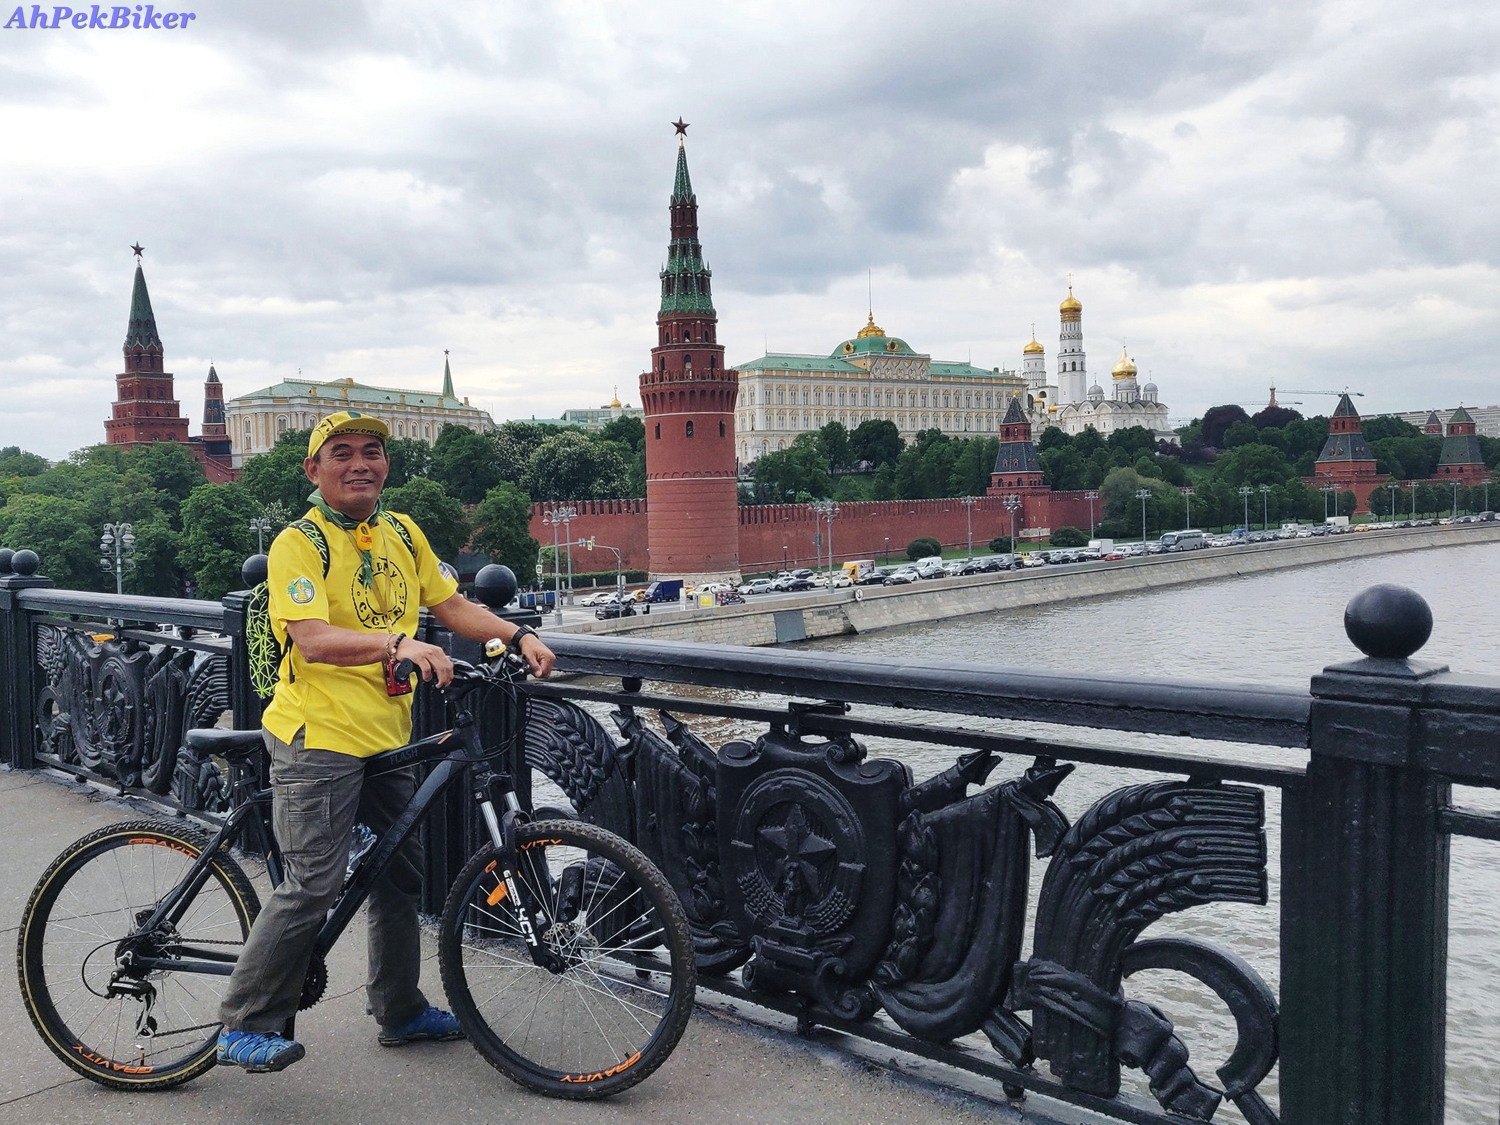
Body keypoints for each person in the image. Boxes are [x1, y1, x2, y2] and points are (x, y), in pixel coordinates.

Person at [216, 410, 555, 1073]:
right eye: (341, 453)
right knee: (313, 884)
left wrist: (516, 634)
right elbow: (312, 639)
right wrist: (398, 643)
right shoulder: (299, 544)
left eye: (371, 451)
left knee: (400, 874)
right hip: (318, 735)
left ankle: (399, 1008)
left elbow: (452, 606)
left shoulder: (401, 531)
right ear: (313, 469)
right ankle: (242, 1023)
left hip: (385, 735)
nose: (359, 463)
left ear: (387, 464)